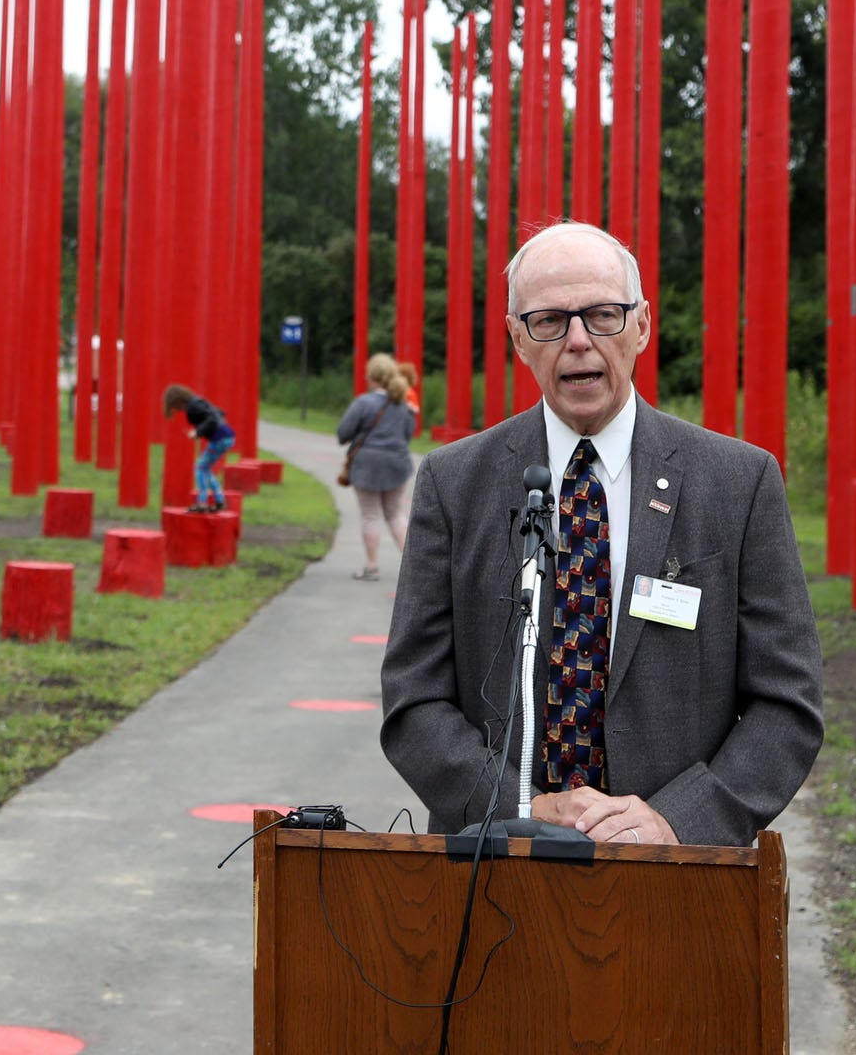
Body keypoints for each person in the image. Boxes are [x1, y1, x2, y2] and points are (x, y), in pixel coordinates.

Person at [379, 220, 823, 847]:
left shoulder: (738, 483)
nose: (579, 341)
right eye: (549, 321)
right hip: (495, 867)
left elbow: (787, 703)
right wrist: (520, 807)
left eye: (602, 315)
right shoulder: (453, 483)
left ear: (641, 325)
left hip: (675, 876)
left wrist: (679, 820)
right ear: (518, 338)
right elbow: (414, 700)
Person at [337, 353, 417, 582]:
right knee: (396, 515)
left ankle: (372, 567)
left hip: (367, 466)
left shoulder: (363, 403)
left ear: (371, 377)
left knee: (370, 515)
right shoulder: (403, 405)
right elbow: (408, 434)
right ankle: (414, 568)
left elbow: (343, 433)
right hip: (398, 464)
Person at [166, 384, 235, 514]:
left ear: (177, 401)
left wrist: (197, 432)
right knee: (205, 468)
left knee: (200, 468)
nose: (175, 409)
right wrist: (201, 430)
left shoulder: (192, 407)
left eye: (173, 405)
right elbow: (220, 412)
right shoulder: (198, 401)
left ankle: (202, 503)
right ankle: (220, 501)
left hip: (220, 438)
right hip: (227, 437)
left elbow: (211, 418)